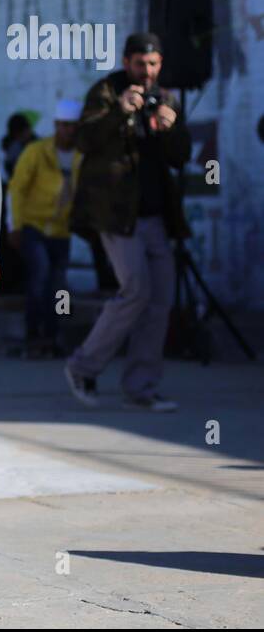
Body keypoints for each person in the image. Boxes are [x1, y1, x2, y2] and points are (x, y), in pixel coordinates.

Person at [65, 32, 190, 412]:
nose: (146, 72)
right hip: (116, 214)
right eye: (140, 64)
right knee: (135, 289)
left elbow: (180, 156)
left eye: (153, 64)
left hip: (155, 216)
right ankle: (82, 366)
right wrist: (120, 109)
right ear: (126, 61)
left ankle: (142, 386)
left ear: (161, 64)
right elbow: (83, 140)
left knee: (160, 299)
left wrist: (172, 128)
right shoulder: (106, 91)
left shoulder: (166, 98)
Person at [8, 98, 81, 358]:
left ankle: (53, 334)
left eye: (73, 126)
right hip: (34, 227)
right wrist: (15, 225)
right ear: (56, 125)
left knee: (59, 286)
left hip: (62, 230)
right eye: (64, 125)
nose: (68, 131)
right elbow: (17, 188)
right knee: (39, 278)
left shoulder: (81, 157)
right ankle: (33, 335)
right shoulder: (37, 152)